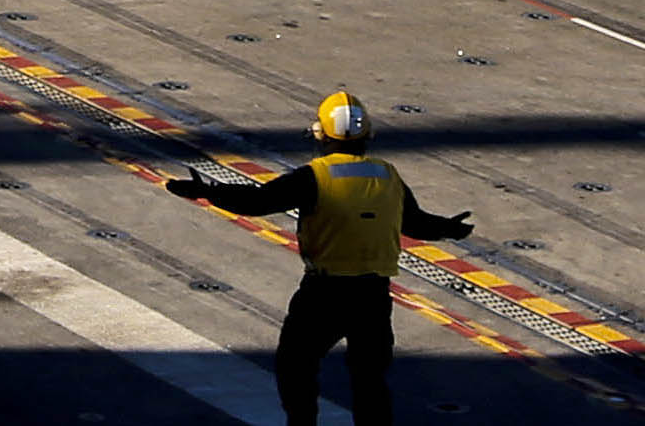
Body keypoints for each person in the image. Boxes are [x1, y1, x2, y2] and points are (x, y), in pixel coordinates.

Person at [165, 90, 471, 426]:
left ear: (321, 136)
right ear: (368, 136)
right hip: (373, 296)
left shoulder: (315, 176)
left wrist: (208, 191)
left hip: (324, 294)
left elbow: (258, 202)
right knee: (369, 381)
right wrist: (450, 229)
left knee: (295, 365)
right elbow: (415, 222)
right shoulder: (387, 176)